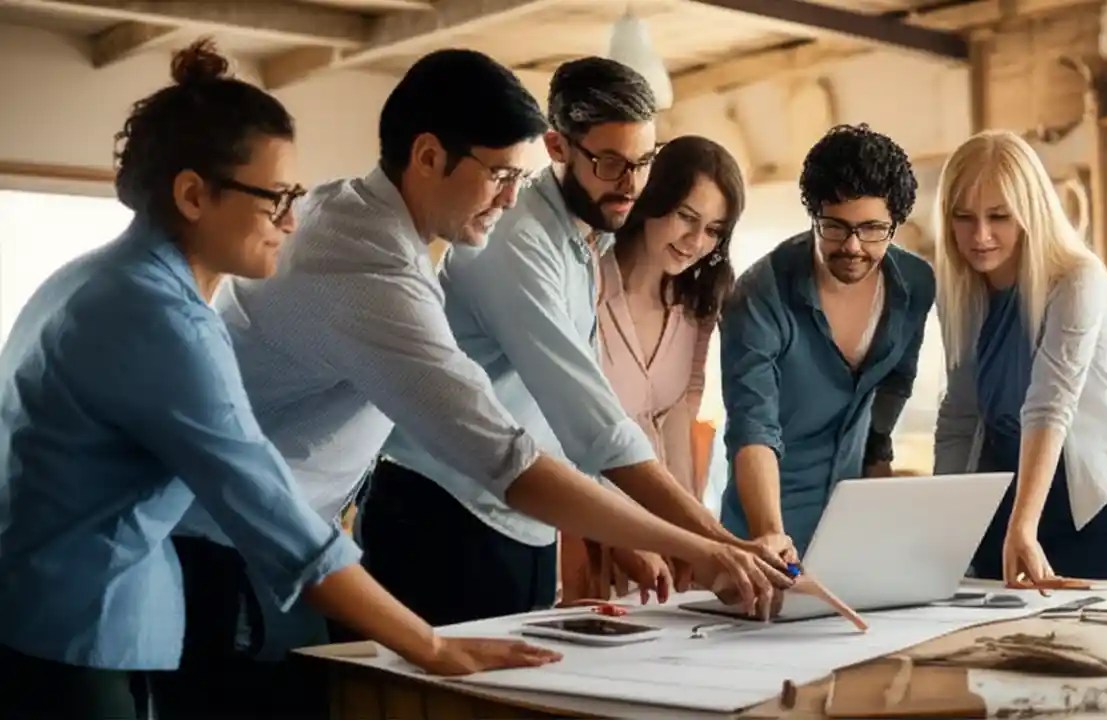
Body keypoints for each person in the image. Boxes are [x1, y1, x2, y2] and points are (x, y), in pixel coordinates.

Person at [156, 48, 787, 719]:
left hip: (287, 548)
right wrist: (699, 547)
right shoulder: (368, 267)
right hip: (229, 556)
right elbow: (507, 454)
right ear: (428, 156)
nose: (514, 197)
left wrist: (659, 536)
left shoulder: (372, 225)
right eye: (500, 176)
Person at [0, 40, 559, 720]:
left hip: (44, 608)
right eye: (274, 198)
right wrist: (434, 650)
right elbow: (274, 515)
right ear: (192, 194)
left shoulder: (90, 279)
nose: (292, 221)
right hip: (83, 629)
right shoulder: (163, 320)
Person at [371, 57, 785, 625]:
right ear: (558, 147)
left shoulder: (585, 239)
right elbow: (593, 423)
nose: (630, 185)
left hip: (524, 517)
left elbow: (573, 429)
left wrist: (625, 534)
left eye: (642, 164)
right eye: (610, 163)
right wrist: (715, 544)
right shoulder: (515, 240)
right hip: (444, 513)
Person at [932, 129, 1107, 584]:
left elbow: (1050, 405)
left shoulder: (1078, 281)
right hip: (1004, 502)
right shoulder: (960, 290)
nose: (981, 236)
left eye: (999, 217)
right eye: (964, 217)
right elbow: (959, 415)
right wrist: (940, 529)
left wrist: (1023, 527)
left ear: (1030, 213)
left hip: (1091, 508)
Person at [719, 124, 937, 561]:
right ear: (812, 214)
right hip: (765, 531)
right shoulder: (760, 295)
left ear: (895, 224)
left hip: (852, 528)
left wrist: (881, 482)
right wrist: (770, 537)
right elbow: (753, 427)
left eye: (873, 229)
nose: (853, 246)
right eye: (835, 227)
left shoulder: (915, 283)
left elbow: (895, 381)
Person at [561, 135, 744, 602]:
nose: (695, 242)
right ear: (651, 200)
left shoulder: (697, 308)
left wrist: (691, 537)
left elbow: (679, 423)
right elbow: (564, 428)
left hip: (663, 539)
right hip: (579, 524)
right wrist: (626, 535)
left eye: (714, 229)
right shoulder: (584, 283)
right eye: (686, 217)